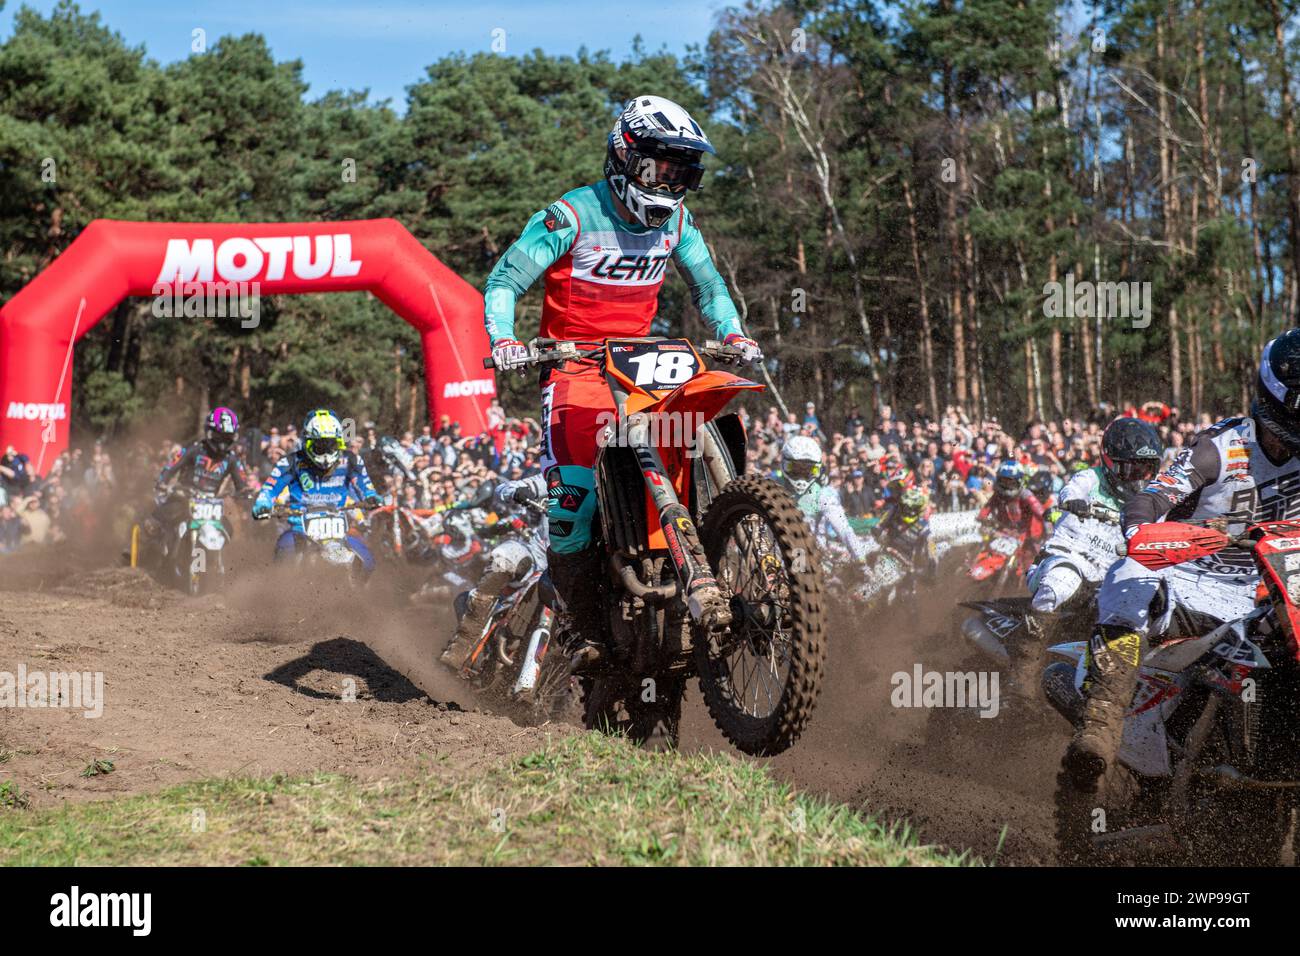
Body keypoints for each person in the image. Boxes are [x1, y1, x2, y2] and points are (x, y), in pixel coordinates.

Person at [483, 94, 761, 671]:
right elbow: (505, 280)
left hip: (641, 365)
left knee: (697, 434)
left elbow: (708, 287)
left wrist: (732, 332)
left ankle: (734, 553)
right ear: (628, 158)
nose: (674, 181)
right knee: (572, 503)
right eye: (665, 167)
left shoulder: (678, 221)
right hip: (575, 370)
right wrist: (504, 339)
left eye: (685, 171)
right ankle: (580, 631)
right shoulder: (572, 215)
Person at [1066, 333, 1300, 784]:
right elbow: (1153, 497)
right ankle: (1102, 720)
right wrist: (1141, 531)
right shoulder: (1221, 448)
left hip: (1270, 594)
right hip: (1192, 583)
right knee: (1129, 573)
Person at [251, 409, 383, 573]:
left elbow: (365, 485)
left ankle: (362, 596)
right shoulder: (292, 462)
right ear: (307, 442)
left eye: (331, 445)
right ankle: (280, 594)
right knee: (285, 551)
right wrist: (262, 503)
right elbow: (270, 488)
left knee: (367, 560)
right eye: (320, 447)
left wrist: (371, 496)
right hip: (300, 531)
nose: (326, 453)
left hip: (338, 534)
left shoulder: (351, 460)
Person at [439, 473, 548, 670]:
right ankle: (462, 643)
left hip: (573, 569)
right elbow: (503, 489)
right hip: (535, 556)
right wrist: (517, 491)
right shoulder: (555, 475)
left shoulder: (608, 493)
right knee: (502, 558)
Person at [145, 407, 253, 564]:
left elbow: (241, 483)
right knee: (157, 519)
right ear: (210, 433)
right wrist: (162, 482)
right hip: (184, 497)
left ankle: (212, 563)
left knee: (228, 529)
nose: (223, 443)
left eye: (227, 438)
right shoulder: (195, 449)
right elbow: (171, 467)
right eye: (219, 436)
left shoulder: (232, 459)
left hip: (211, 504)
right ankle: (150, 551)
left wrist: (245, 493)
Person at [778, 436, 875, 564]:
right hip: (777, 549)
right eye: (795, 468)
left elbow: (844, 529)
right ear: (783, 464)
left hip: (815, 551)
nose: (801, 475)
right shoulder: (772, 487)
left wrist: (859, 558)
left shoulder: (824, 494)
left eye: (808, 469)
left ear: (818, 469)